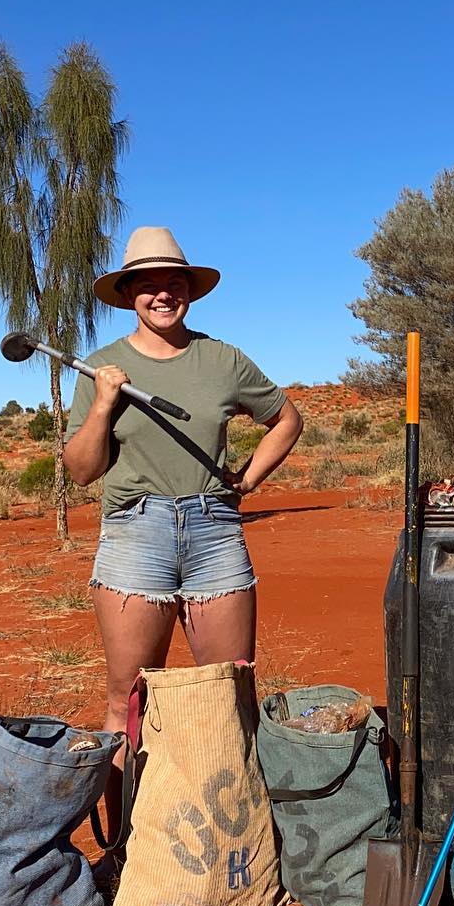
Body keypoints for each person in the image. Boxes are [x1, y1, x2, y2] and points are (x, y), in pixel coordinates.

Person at [64, 225, 304, 771]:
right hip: (135, 530)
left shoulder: (222, 360)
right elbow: (81, 471)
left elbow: (286, 419)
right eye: (148, 284)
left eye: (174, 282)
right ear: (128, 295)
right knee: (127, 701)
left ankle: (234, 837)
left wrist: (246, 481)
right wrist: (103, 403)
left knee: (231, 692)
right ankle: (127, 849)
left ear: (189, 291)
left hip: (213, 530)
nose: (162, 293)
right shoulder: (99, 367)